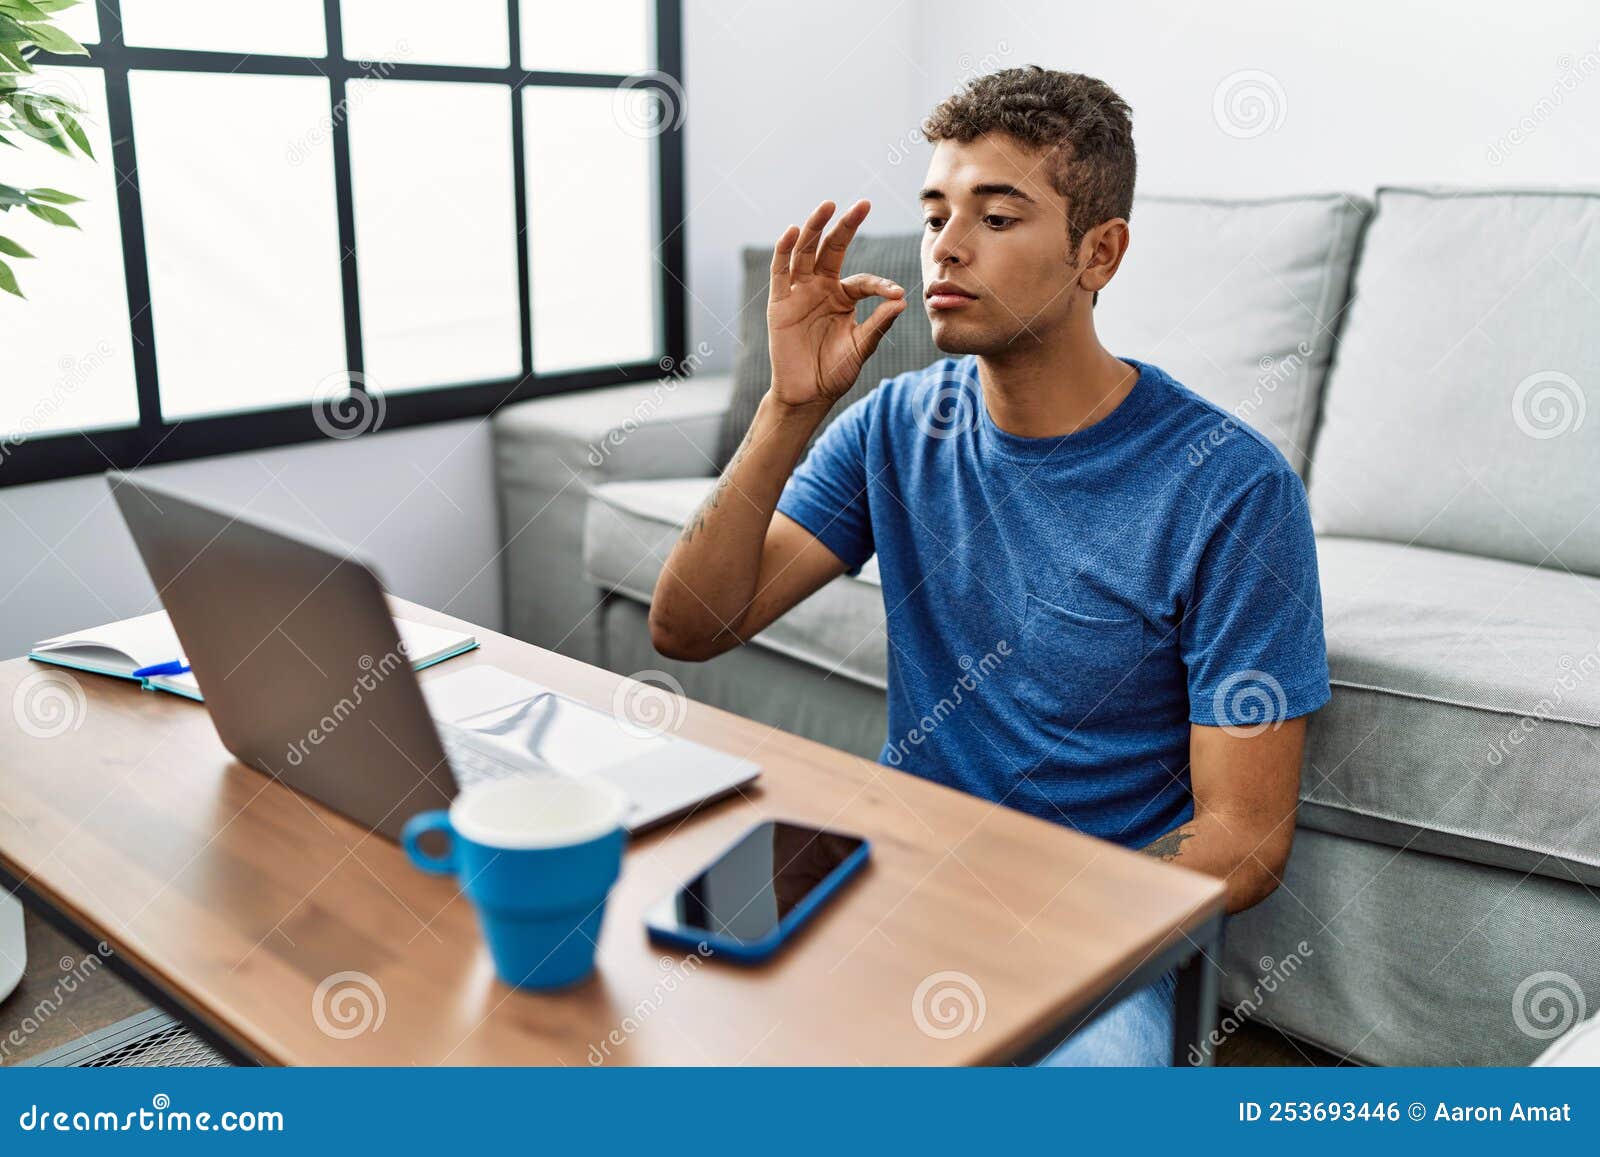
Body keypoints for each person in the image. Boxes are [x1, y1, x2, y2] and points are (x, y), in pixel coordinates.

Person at [648, 66, 1329, 1065]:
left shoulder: (1230, 487)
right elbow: (689, 626)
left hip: (1096, 933)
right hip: (895, 882)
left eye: (997, 218)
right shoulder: (893, 426)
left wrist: (1016, 917)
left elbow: (1244, 836)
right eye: (935, 216)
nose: (946, 246)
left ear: (1099, 253)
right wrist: (789, 411)